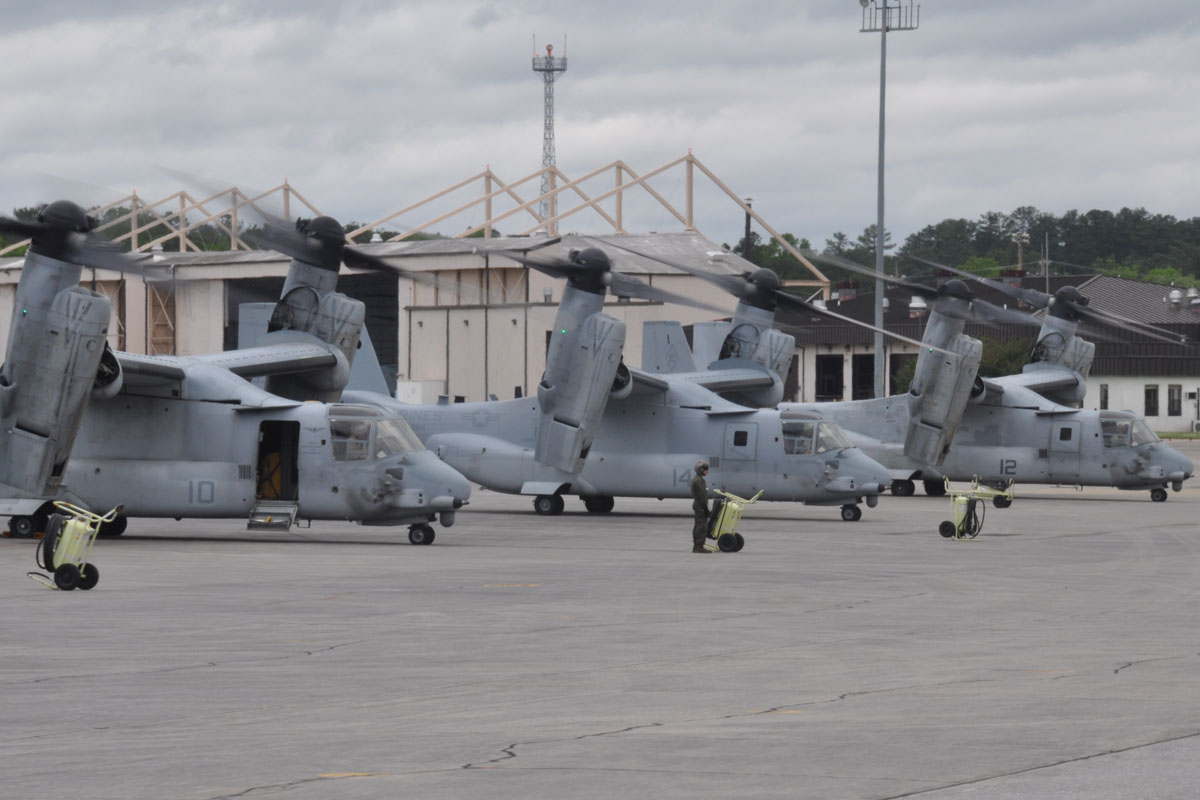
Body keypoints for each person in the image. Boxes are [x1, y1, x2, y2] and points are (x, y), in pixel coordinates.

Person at [690, 461, 710, 553]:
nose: (707, 471)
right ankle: (698, 546)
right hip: (700, 506)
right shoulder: (699, 481)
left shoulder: (699, 479)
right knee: (701, 526)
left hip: (699, 506)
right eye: (705, 469)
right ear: (700, 470)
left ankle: (697, 546)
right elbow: (701, 495)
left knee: (699, 525)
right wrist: (705, 508)